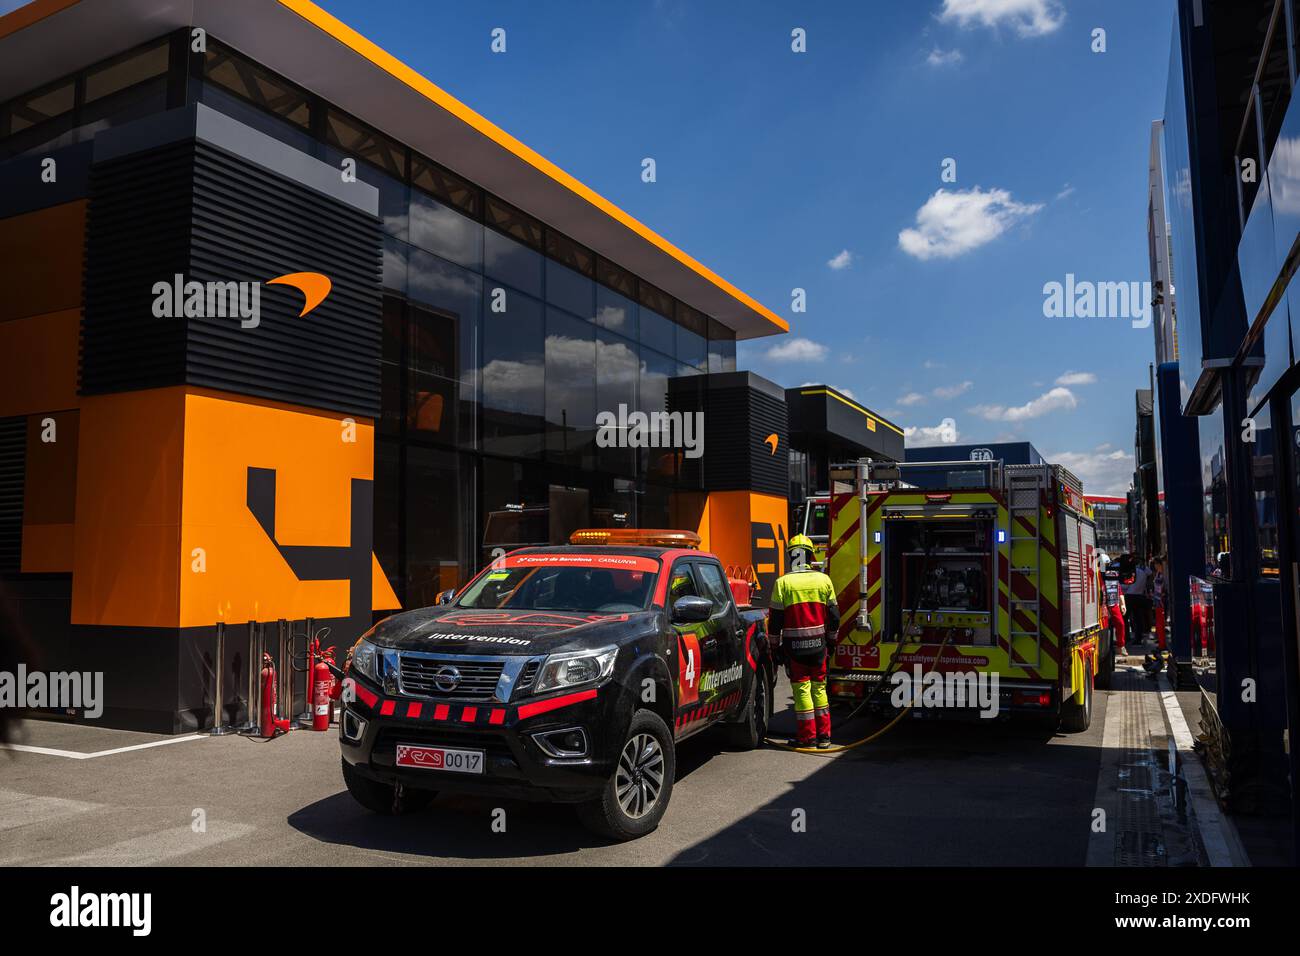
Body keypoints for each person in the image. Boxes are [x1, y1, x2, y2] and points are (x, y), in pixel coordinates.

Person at [769, 534, 841, 749]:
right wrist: (831, 642)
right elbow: (834, 616)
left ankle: (807, 738)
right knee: (820, 689)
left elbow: (775, 621)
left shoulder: (782, 583)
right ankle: (825, 737)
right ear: (810, 555)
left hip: (794, 649)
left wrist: (775, 648)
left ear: (791, 556)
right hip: (819, 647)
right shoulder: (823, 580)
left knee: (802, 692)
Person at [1101, 553, 1127, 653]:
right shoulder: (1096, 575)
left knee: (1121, 624)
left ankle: (1121, 646)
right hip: (1101, 606)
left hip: (1113, 604)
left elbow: (1119, 589)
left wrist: (1122, 604)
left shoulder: (1113, 574)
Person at [1123, 556, 1151, 646]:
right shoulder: (1143, 572)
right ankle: (1138, 638)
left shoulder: (1131, 572)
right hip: (1139, 596)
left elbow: (1126, 586)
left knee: (1125, 618)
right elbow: (1149, 575)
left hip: (1129, 596)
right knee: (1138, 618)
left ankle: (1126, 638)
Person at [1150, 557, 1167, 651]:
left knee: (1160, 623)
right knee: (1159, 623)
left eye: (1157, 564)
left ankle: (1162, 644)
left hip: (1161, 601)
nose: (1155, 566)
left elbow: (1164, 588)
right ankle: (1161, 642)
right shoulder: (1158, 574)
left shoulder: (1163, 574)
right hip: (1157, 599)